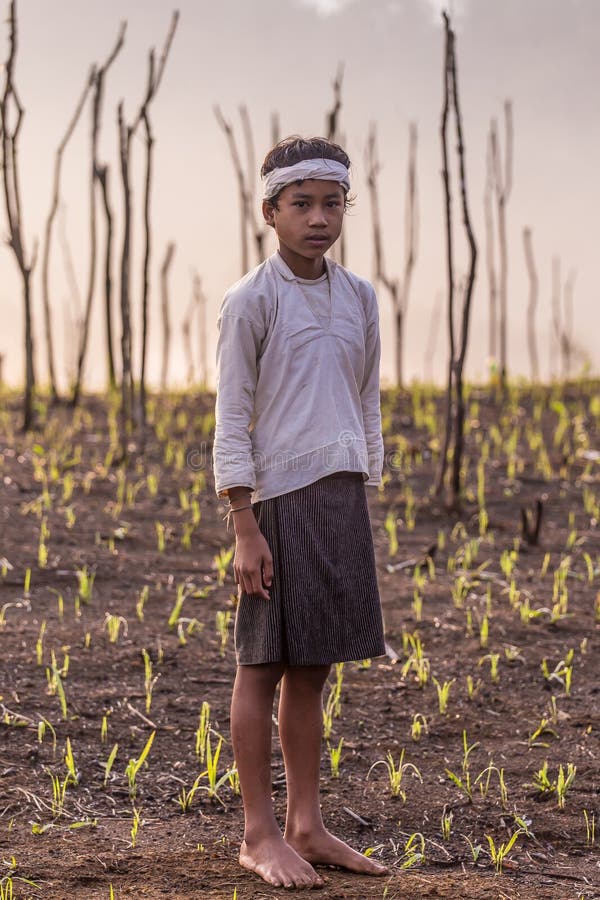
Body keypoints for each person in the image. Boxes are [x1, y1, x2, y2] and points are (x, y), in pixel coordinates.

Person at [212, 135, 388, 889]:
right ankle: (258, 834)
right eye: (302, 204)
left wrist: (362, 484)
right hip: (276, 504)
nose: (319, 218)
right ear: (270, 212)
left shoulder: (359, 297)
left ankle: (306, 824)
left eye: (332, 203)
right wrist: (244, 524)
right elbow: (231, 417)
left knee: (312, 669)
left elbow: (366, 395)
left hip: (339, 494)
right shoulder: (251, 300)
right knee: (262, 665)